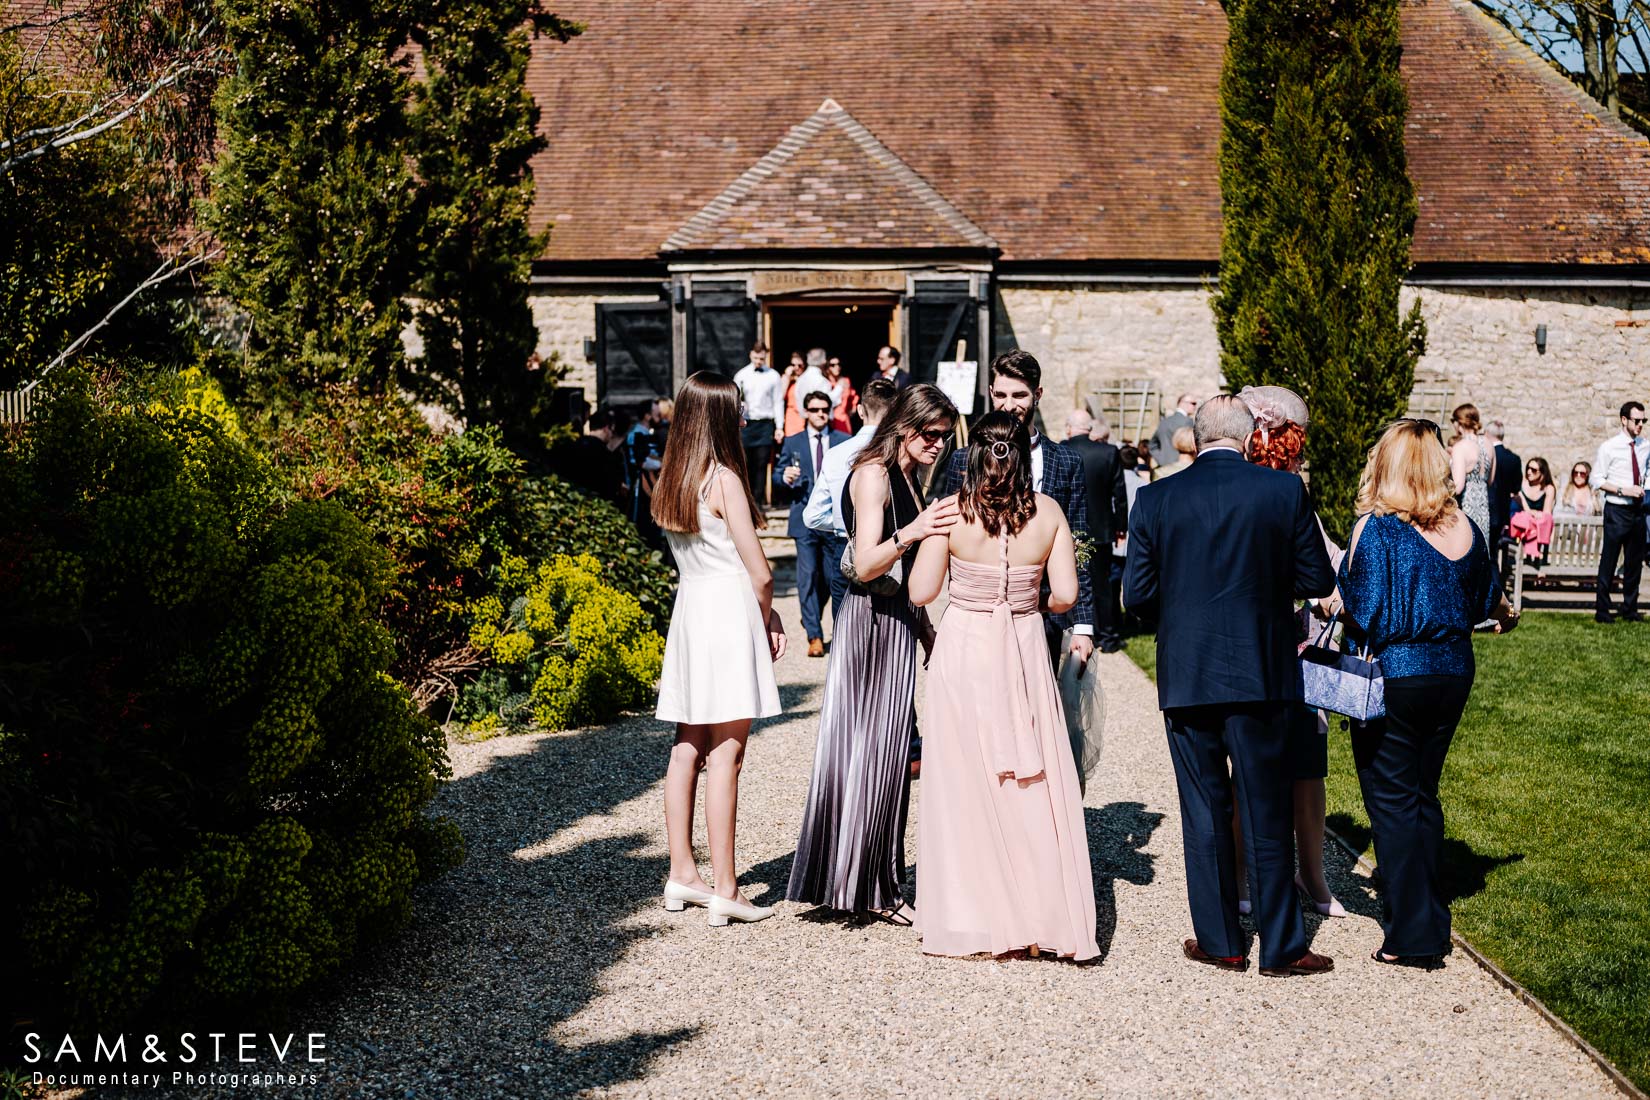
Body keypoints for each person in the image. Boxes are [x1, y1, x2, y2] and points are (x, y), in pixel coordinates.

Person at [1123, 394, 1337, 977]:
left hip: (1188, 674)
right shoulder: (1283, 492)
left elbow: (1136, 596)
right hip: (1262, 672)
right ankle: (1285, 946)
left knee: (1204, 810)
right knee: (1265, 807)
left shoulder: (1155, 498)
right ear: (1247, 438)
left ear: (1197, 435)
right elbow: (1316, 577)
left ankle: (1221, 942)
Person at [909, 411, 1099, 961]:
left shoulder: (950, 514)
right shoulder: (1048, 513)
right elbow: (1064, 594)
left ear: (974, 453)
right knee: (1029, 776)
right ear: (1024, 452)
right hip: (1020, 646)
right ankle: (1040, 917)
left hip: (964, 648)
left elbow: (922, 591)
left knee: (966, 780)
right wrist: (1023, 600)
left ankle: (978, 917)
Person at [1339, 419, 1518, 966]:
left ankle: (1414, 934)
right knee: (1422, 790)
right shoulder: (1466, 527)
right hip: (1453, 671)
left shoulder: (1376, 528)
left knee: (1391, 799)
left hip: (1396, 672)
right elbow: (1487, 601)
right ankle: (1429, 914)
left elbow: (1361, 608)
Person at [787, 385, 960, 918]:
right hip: (868, 623)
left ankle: (870, 880)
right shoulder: (872, 474)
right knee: (871, 754)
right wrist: (916, 529)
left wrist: (926, 626)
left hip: (896, 619)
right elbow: (864, 565)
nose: (938, 445)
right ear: (905, 427)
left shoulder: (906, 474)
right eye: (931, 434)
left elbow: (902, 576)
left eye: (945, 437)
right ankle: (868, 887)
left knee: (885, 755)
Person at [652, 372, 788, 928]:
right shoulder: (724, 478)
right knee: (728, 752)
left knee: (688, 742)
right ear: (717, 417)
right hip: (729, 612)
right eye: (734, 411)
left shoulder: (672, 480)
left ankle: (683, 870)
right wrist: (767, 618)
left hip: (691, 611)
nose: (741, 419)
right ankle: (727, 887)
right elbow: (760, 573)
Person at [1229, 386, 1346, 921]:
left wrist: (1336, 584)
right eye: (1295, 449)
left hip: (1297, 651)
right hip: (1260, 646)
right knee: (1257, 768)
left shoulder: (1296, 500)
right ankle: (1246, 874)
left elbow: (1325, 561)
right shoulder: (1262, 496)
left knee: (1305, 769)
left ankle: (1308, 876)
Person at [943, 350, 1095, 669]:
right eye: (1001, 394)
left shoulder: (1066, 462)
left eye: (1019, 395)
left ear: (1037, 395)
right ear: (991, 393)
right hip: (976, 616)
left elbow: (1080, 543)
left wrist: (1082, 626)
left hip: (1042, 614)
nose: (1009, 405)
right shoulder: (962, 460)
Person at [804, 378, 899, 618]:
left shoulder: (836, 454)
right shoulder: (899, 452)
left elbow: (812, 516)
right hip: (889, 550)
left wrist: (843, 521)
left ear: (859, 410)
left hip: (844, 548)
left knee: (845, 638)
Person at [775, 390, 851, 658]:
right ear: (806, 412)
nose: (821, 414)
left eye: (824, 409)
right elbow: (777, 474)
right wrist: (784, 476)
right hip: (803, 516)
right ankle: (814, 635)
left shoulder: (844, 441)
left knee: (831, 578)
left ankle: (811, 617)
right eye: (816, 409)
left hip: (833, 519)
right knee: (807, 577)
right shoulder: (793, 441)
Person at [1064, 409, 1128, 654]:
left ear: (1069, 427)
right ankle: (1107, 636)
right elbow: (1119, 494)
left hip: (1068, 527)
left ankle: (1075, 628)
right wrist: (1121, 526)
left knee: (1070, 579)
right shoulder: (1108, 452)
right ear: (1089, 428)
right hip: (1100, 528)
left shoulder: (1060, 449)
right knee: (1102, 585)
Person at [1589, 401, 1648, 622]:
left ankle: (1629, 608)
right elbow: (1596, 479)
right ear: (1624, 420)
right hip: (1616, 509)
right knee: (1609, 561)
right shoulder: (1609, 447)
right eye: (1637, 420)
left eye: (1644, 420)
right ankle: (1602, 610)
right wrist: (1623, 490)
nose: (1641, 424)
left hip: (1638, 510)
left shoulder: (1645, 446)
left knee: (1634, 562)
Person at [733, 342, 784, 507]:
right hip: (746, 424)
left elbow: (778, 402)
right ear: (750, 355)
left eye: (761, 358)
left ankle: (758, 502)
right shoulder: (741, 375)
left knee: (762, 463)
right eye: (756, 358)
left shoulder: (773, 376)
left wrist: (779, 427)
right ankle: (745, 501)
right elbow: (734, 401)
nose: (758, 361)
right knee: (745, 463)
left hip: (765, 424)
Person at [1449, 403, 1496, 543]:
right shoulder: (1488, 444)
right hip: (1484, 508)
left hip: (1466, 507)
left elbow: (1458, 487)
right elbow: (1491, 480)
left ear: (1459, 423)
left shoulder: (1460, 447)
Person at [572, 408, 630, 505]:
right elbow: (610, 482)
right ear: (606, 429)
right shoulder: (605, 453)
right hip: (598, 503)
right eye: (612, 430)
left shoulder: (575, 445)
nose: (612, 435)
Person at [1510, 457, 1555, 570]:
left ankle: (1535, 563)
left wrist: (1532, 514)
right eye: (1528, 468)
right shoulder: (1521, 485)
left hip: (1537, 528)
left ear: (1543, 473)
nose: (1529, 472)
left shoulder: (1548, 488)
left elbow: (1547, 513)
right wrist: (1529, 512)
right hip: (1523, 530)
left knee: (1542, 522)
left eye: (1534, 470)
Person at [1487, 420, 1521, 546]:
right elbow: (1516, 487)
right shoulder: (1514, 458)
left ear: (1488, 434)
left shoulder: (1487, 455)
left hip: (1488, 507)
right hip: (1503, 509)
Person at [1149, 393, 1199, 467]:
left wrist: (1161, 459)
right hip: (1182, 466)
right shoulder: (1188, 422)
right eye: (1193, 403)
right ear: (1183, 403)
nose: (1195, 406)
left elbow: (1152, 445)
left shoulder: (1164, 421)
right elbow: (1192, 445)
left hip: (1164, 466)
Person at [825, 355, 859, 435]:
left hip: (844, 417)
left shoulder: (846, 380)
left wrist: (853, 408)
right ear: (827, 368)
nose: (837, 367)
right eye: (832, 365)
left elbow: (853, 396)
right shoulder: (826, 383)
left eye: (838, 364)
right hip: (831, 419)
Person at [780, 352, 806, 438]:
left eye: (800, 365)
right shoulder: (787, 378)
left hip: (804, 415)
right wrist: (787, 376)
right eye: (793, 365)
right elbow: (780, 397)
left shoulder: (807, 379)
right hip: (791, 416)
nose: (796, 368)